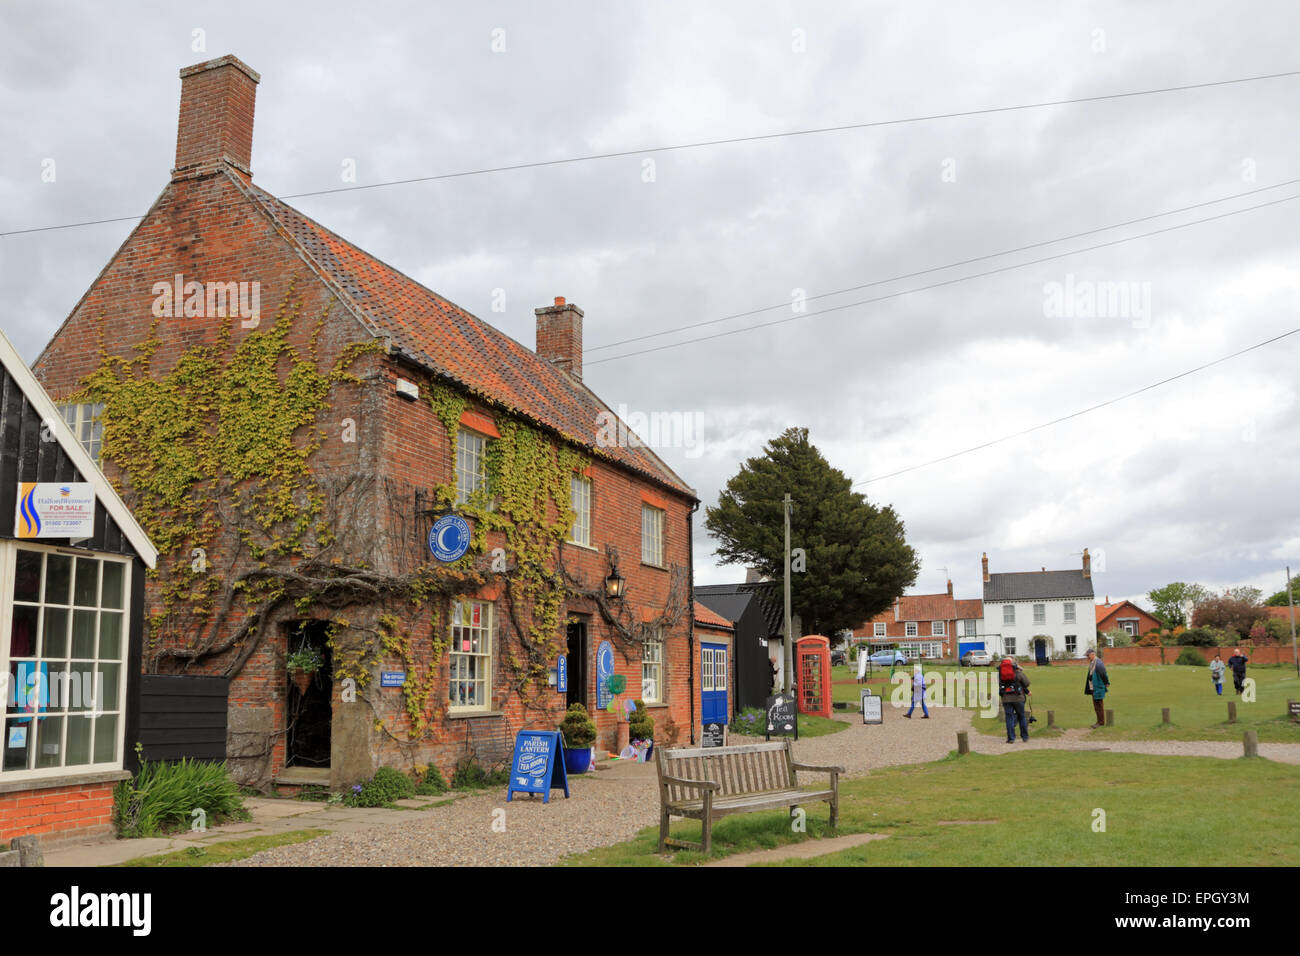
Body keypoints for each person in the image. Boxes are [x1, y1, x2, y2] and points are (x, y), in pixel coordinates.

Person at [997, 656, 1030, 742]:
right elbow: (1027, 683)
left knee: (1009, 718)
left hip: (1006, 699)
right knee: (1021, 716)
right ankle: (1025, 737)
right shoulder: (1017, 672)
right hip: (1018, 698)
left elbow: (1000, 684)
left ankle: (1011, 738)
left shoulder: (1001, 674)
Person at [1084, 648, 1109, 727]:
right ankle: (1099, 721)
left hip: (1098, 687)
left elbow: (1103, 674)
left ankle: (1101, 723)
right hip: (1093, 688)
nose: (1087, 657)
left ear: (1092, 654)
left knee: (1099, 706)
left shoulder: (1098, 663)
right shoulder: (1092, 662)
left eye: (1088, 656)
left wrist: (1106, 683)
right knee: (1096, 706)